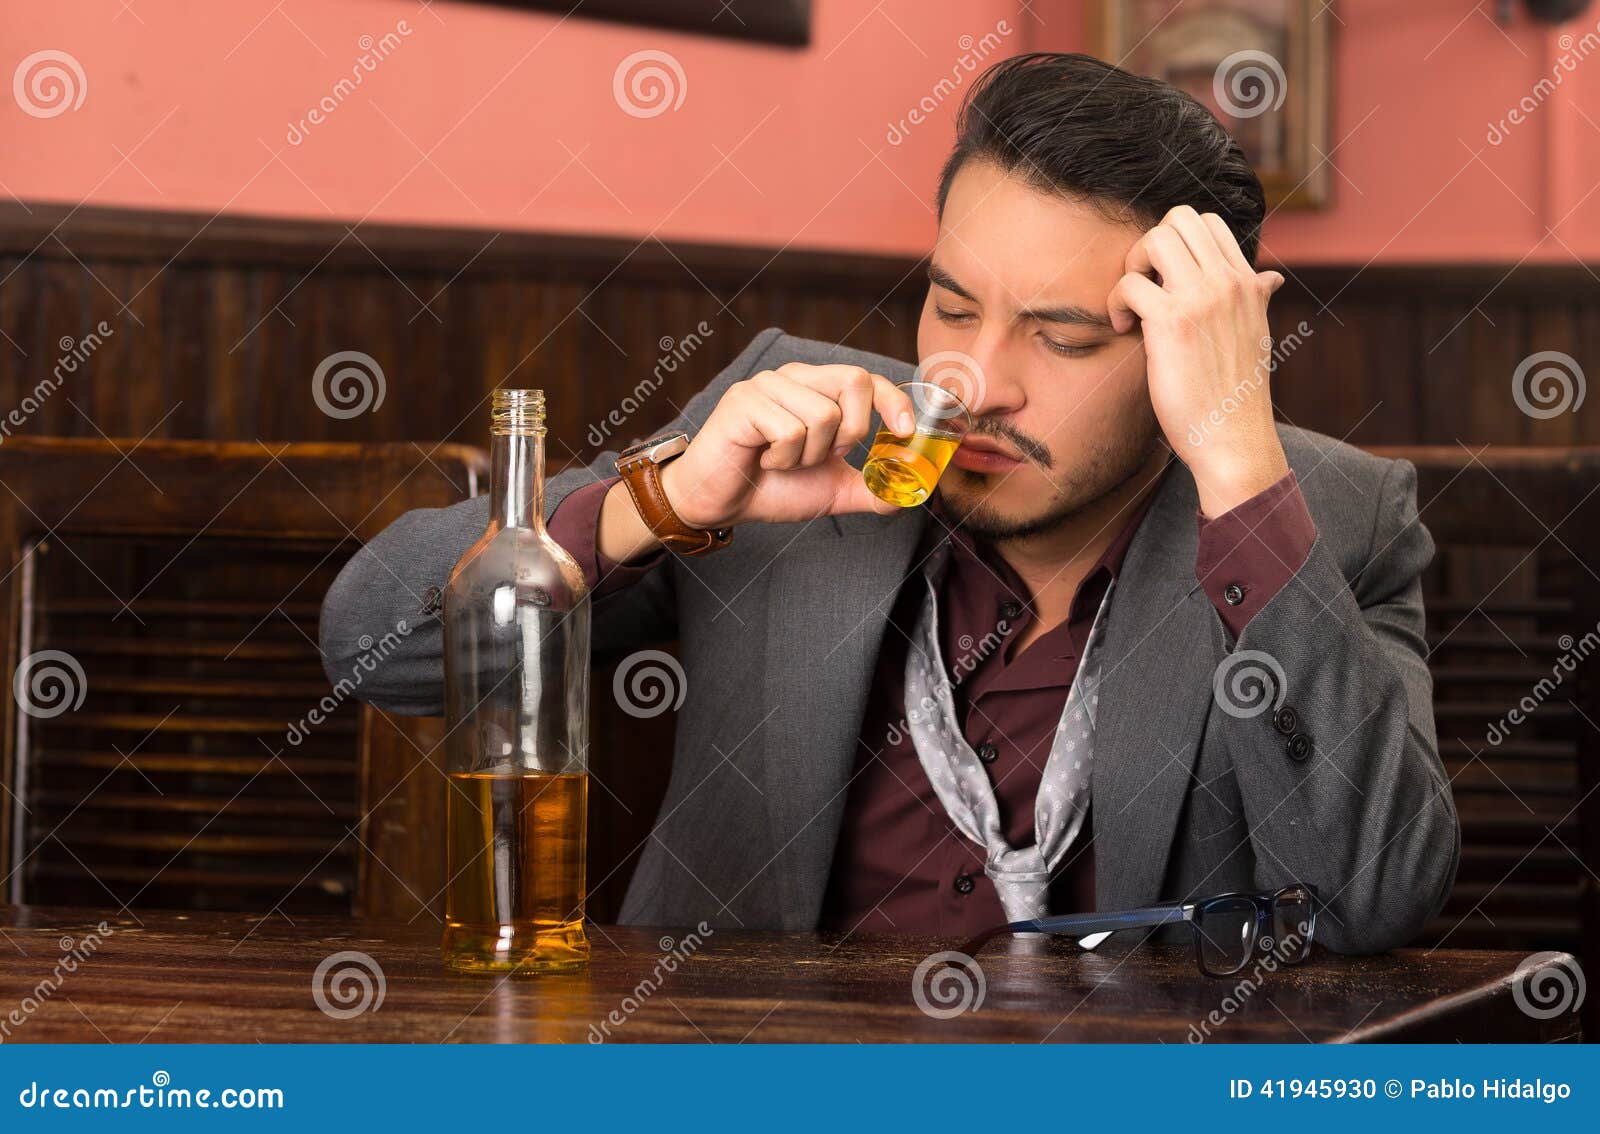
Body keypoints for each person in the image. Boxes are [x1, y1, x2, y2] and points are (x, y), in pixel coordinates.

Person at [319, 53, 1457, 953]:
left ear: (1191, 342)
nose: (976, 382)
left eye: (1062, 335)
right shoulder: (805, 441)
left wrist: (1238, 469)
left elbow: (1369, 896)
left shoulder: (1326, 518)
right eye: (952, 309)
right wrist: (659, 502)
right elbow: (370, 646)